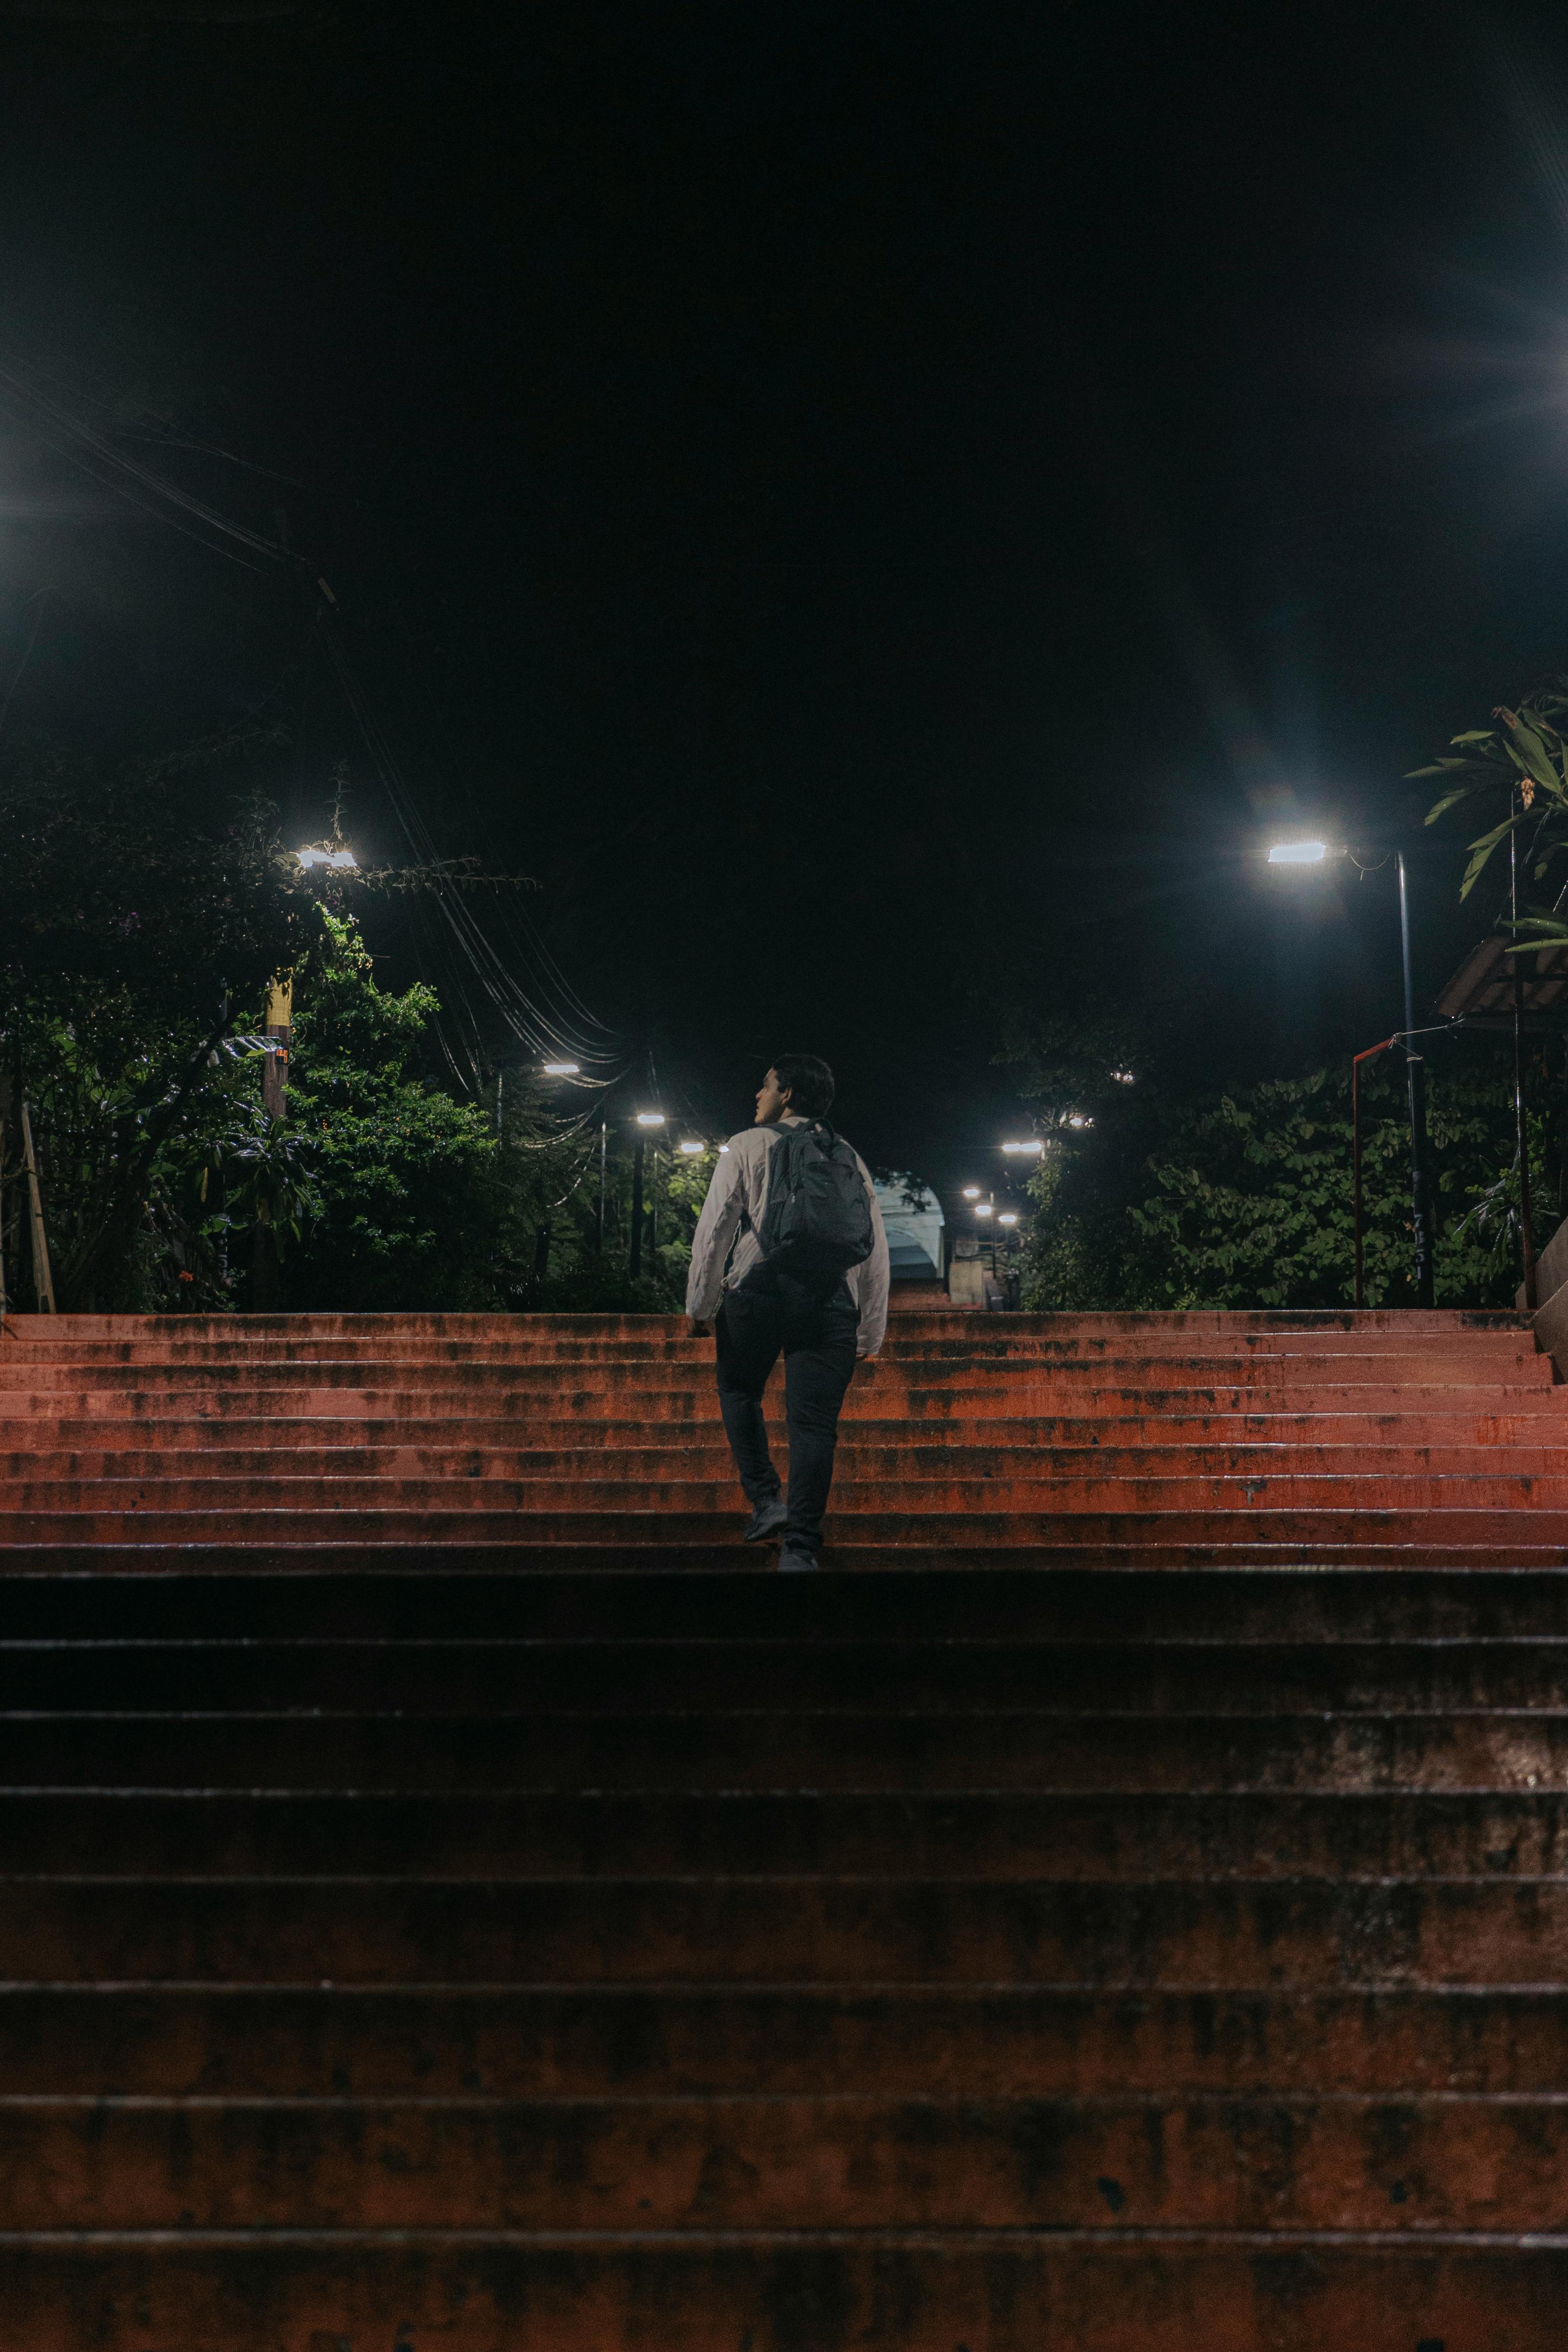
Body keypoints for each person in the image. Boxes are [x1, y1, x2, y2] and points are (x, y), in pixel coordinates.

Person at [687, 1054, 889, 1571]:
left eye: (766, 1086)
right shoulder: (848, 1155)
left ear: (789, 1094)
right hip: (830, 1303)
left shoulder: (746, 1145)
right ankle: (801, 1548)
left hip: (758, 1291)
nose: (758, 1095)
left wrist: (701, 1305)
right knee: (815, 1428)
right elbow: (874, 1249)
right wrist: (870, 1332)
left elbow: (715, 1231)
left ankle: (766, 1500)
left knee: (738, 1390)